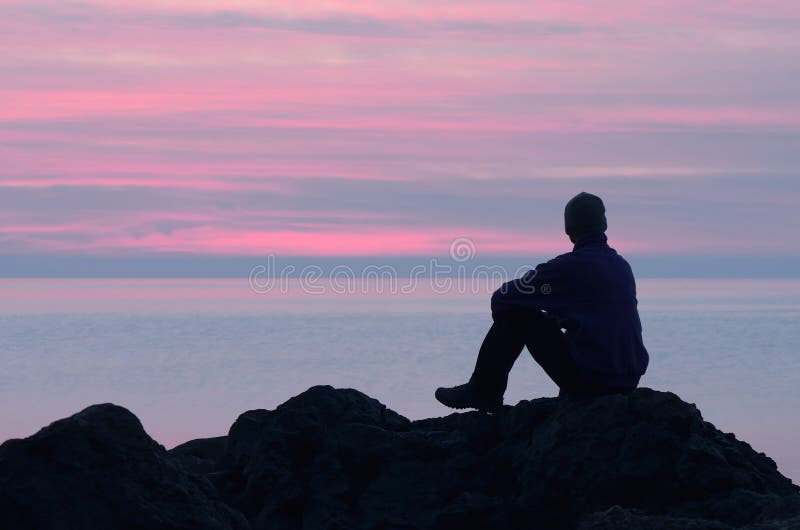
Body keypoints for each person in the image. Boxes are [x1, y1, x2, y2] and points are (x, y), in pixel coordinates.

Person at [435, 192, 649, 411]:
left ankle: (483, 390)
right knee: (550, 323)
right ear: (604, 223)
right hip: (627, 381)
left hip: (592, 381)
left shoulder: (567, 267)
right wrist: (556, 317)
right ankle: (485, 390)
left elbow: (502, 298)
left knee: (516, 317)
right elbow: (595, 314)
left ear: (568, 229)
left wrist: (538, 316)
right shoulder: (621, 266)